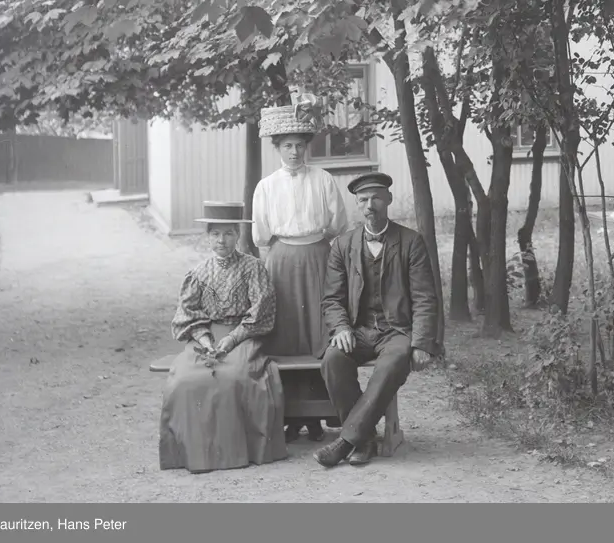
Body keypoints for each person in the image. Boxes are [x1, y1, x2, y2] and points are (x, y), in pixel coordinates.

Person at [313, 172, 441, 468]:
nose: (370, 205)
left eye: (376, 198)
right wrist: (341, 328)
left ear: (389, 200)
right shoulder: (343, 245)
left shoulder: (411, 242)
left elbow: (425, 297)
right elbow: (331, 298)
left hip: (396, 330)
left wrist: (421, 343)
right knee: (333, 359)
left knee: (392, 362)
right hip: (358, 329)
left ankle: (346, 441)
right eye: (363, 200)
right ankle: (365, 439)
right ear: (357, 205)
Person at [159, 201, 287, 474]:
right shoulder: (198, 273)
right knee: (185, 380)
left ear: (237, 235)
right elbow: (188, 314)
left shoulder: (253, 267)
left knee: (235, 376)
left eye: (228, 233)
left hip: (244, 334)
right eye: (216, 234)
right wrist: (206, 341)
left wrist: (231, 340)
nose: (222, 240)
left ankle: (234, 452)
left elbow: (260, 311)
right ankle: (195, 453)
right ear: (208, 236)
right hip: (206, 335)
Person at [252, 100, 349, 442]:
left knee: (317, 330)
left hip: (318, 256)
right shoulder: (266, 186)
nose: (294, 152)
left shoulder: (323, 179)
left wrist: (317, 243)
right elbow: (261, 234)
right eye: (287, 146)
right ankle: (291, 416)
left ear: (307, 147)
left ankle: (322, 411)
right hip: (281, 261)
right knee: (287, 332)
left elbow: (338, 224)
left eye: (299, 146)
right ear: (277, 148)